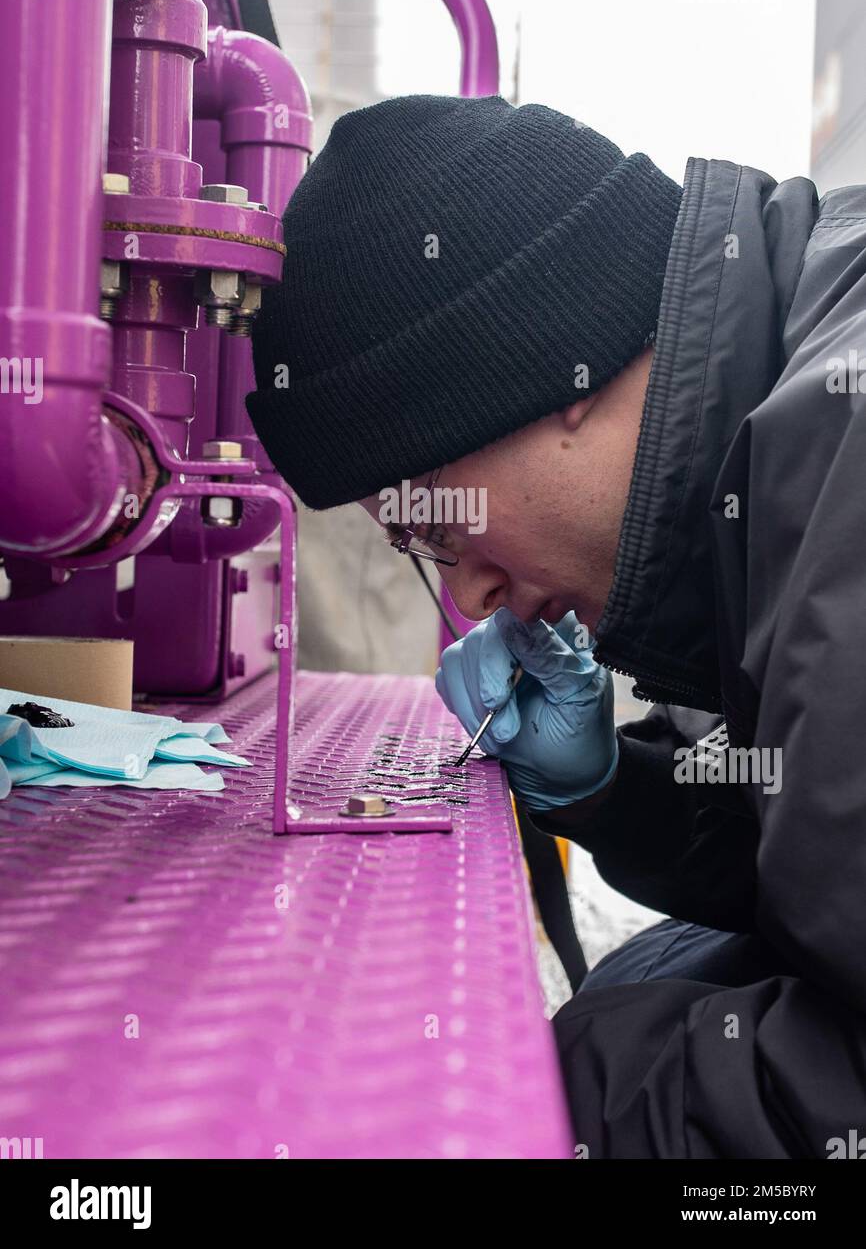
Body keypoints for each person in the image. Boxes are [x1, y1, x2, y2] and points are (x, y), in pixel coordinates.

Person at [246, 93, 866, 1158]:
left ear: (551, 372)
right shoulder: (774, 447)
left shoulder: (843, 464)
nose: (472, 597)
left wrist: (514, 1092)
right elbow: (823, 879)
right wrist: (615, 793)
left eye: (434, 526)